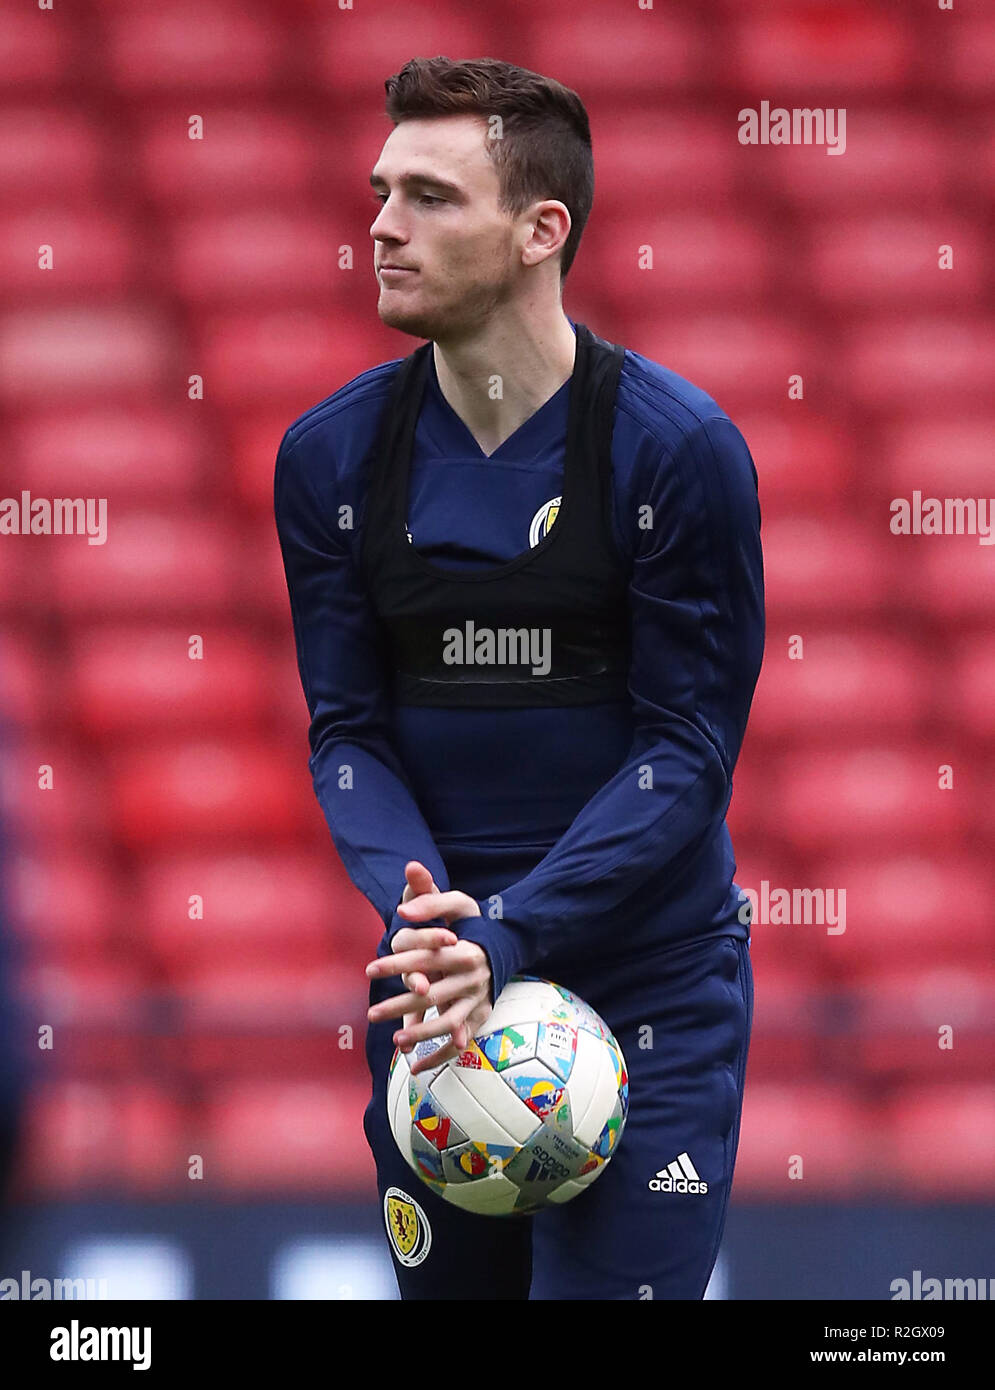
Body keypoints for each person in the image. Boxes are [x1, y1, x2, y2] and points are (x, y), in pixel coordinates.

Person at [275, 56, 764, 1299]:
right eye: (381, 191)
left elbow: (685, 751)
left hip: (645, 997)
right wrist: (433, 924)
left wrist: (513, 932)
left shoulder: (676, 452)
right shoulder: (328, 458)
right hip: (439, 999)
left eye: (430, 197)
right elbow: (345, 735)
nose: (380, 225)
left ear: (541, 230)